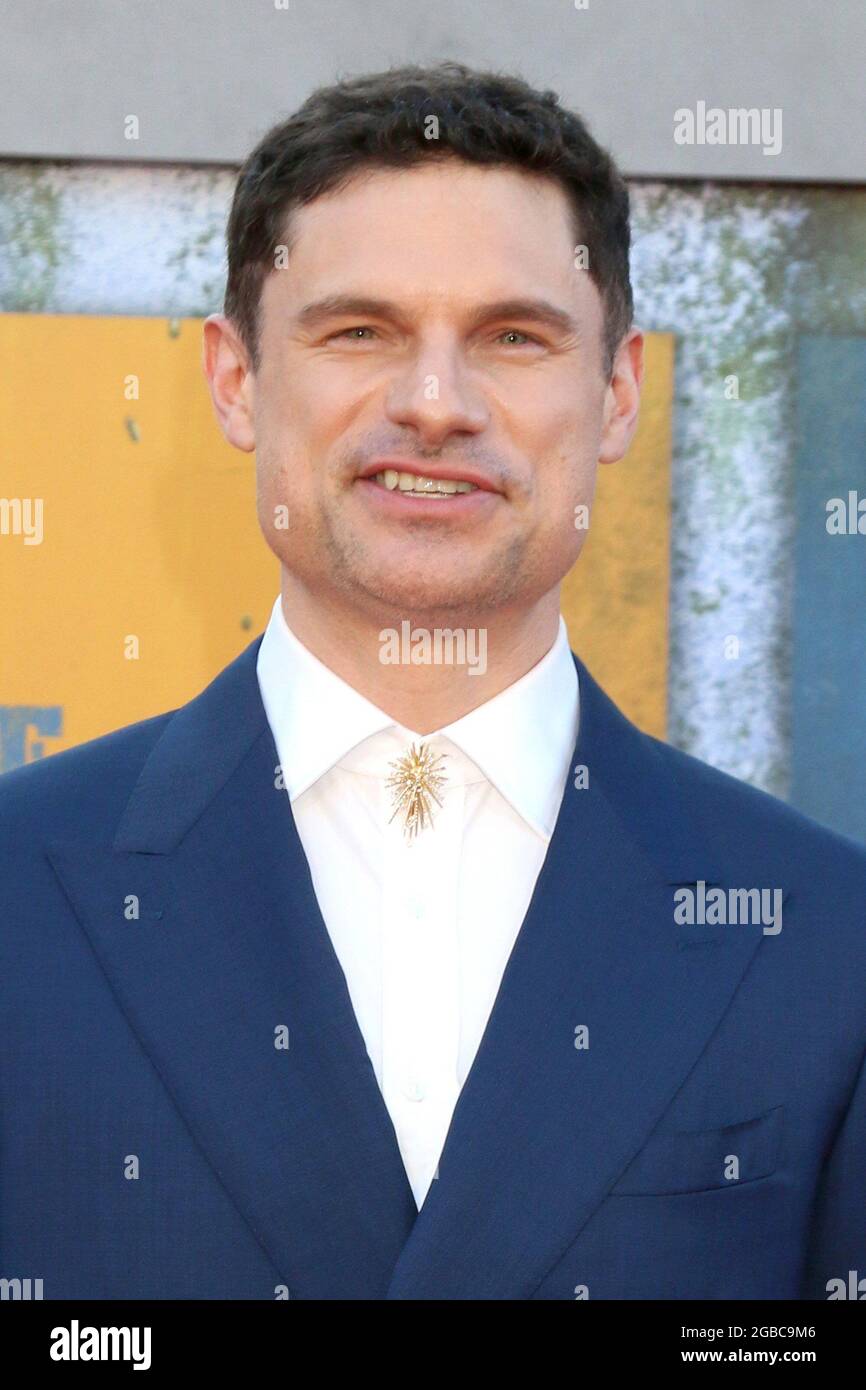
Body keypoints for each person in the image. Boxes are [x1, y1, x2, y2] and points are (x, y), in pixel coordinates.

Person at [1, 62, 864, 1301]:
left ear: (615, 391)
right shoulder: (16, 897)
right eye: (360, 331)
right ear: (234, 380)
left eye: (513, 338)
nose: (433, 404)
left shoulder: (821, 940)